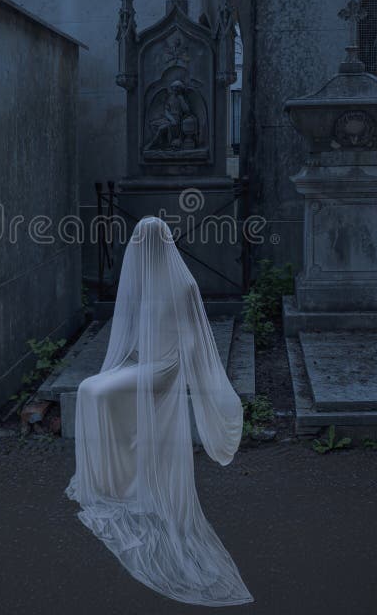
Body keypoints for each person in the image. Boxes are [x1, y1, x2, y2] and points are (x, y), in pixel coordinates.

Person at [64, 216, 254, 606]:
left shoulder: (183, 286)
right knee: (88, 389)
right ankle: (111, 480)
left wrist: (178, 368)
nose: (141, 248)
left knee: (99, 393)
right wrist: (130, 360)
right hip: (142, 362)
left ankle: (125, 484)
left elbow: (193, 340)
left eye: (145, 241)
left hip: (165, 366)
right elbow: (132, 334)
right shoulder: (141, 280)